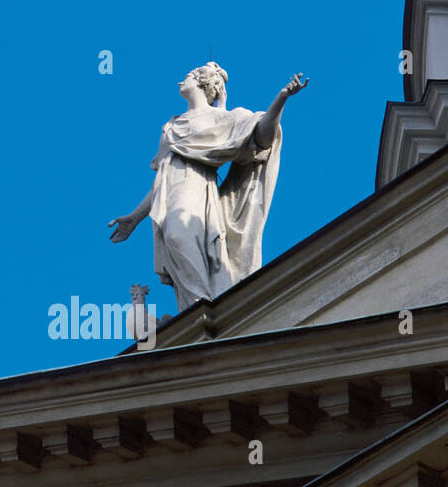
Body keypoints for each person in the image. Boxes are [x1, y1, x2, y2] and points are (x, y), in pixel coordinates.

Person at [108, 62, 308, 312]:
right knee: (174, 244)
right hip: (169, 195)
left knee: (178, 236)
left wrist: (281, 99)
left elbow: (262, 137)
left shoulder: (223, 118)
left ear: (204, 83)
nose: (183, 79)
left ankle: (205, 307)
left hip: (196, 190)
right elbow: (160, 180)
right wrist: (135, 218)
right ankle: (195, 311)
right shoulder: (171, 127)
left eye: (190, 75)